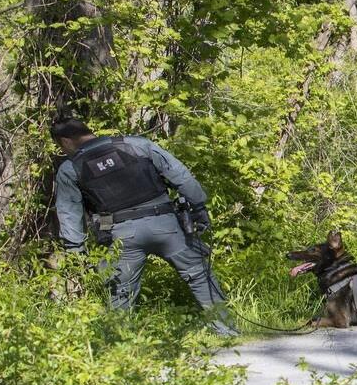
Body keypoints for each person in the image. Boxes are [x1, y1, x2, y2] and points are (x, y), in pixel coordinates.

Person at [51, 117, 238, 336]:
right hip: (167, 226)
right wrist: (198, 206)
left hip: (122, 235)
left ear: (65, 141)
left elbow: (69, 213)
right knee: (198, 275)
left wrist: (76, 252)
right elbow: (180, 174)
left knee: (121, 292)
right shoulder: (135, 144)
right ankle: (226, 332)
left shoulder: (70, 168)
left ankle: (122, 346)